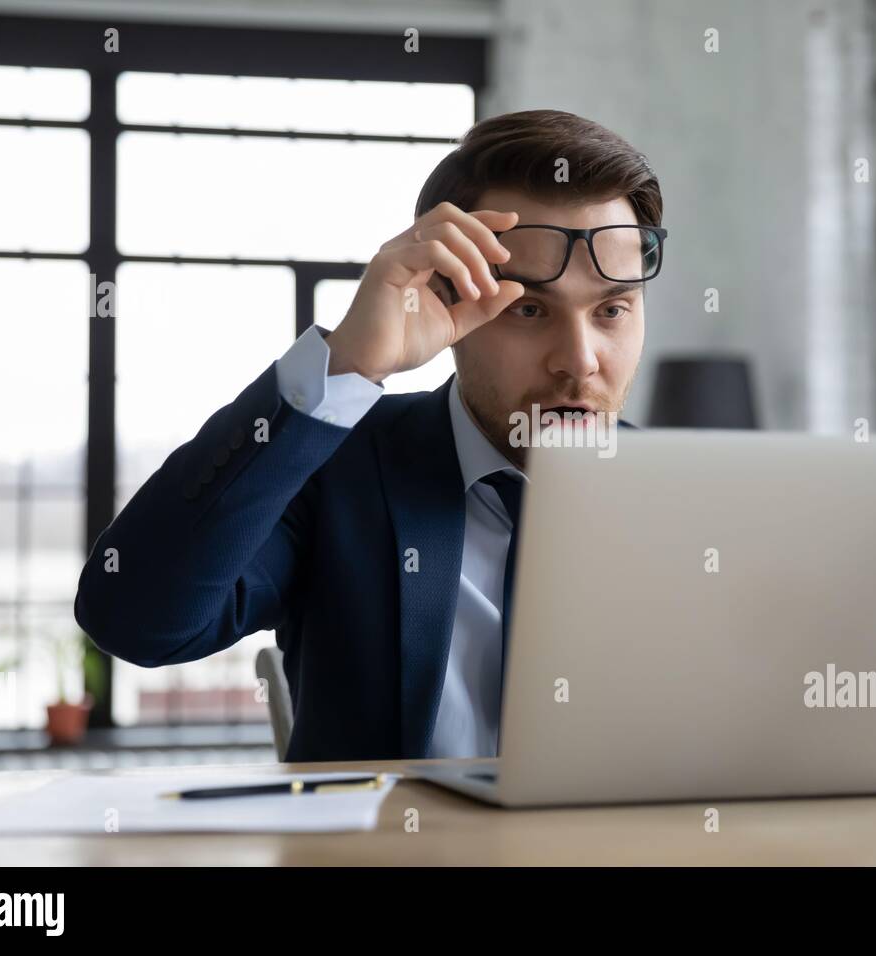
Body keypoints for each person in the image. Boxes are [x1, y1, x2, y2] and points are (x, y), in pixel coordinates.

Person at [74, 109, 667, 761]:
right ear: (450, 301)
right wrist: (350, 363)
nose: (580, 359)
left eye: (612, 309)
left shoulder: (692, 503)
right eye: (528, 309)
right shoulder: (333, 465)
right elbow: (137, 621)